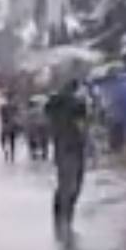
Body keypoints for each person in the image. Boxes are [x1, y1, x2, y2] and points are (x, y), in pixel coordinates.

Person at [46, 80, 89, 237]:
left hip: (62, 149)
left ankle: (60, 219)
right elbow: (82, 128)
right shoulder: (76, 105)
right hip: (73, 149)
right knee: (72, 186)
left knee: (65, 185)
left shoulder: (54, 106)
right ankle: (66, 220)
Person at [0, 93, 20, 163]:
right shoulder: (15, 106)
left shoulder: (3, 106)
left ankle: (5, 152)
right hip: (12, 125)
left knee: (3, 139)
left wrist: (4, 120)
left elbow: (1, 115)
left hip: (5, 125)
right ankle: (12, 155)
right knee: (12, 140)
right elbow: (17, 115)